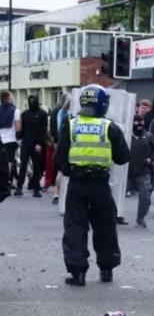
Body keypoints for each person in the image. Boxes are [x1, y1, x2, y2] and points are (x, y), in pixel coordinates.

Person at [55, 85, 130, 286]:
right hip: (100, 184)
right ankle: (107, 269)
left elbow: (59, 158)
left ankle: (77, 273)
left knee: (75, 227)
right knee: (105, 226)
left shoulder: (70, 125)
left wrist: (69, 168)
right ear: (103, 104)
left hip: (78, 184)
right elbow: (123, 158)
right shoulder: (110, 127)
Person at [16, 95, 49, 197]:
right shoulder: (25, 114)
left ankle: (36, 188)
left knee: (36, 167)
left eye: (33, 101)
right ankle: (19, 187)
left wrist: (39, 143)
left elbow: (43, 130)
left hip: (36, 144)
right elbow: (22, 128)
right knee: (23, 166)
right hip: (26, 143)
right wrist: (19, 137)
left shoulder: (43, 114)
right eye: (30, 101)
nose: (31, 103)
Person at [129, 115, 154, 228]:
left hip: (143, 170)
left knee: (145, 195)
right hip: (127, 170)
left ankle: (140, 218)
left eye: (141, 122)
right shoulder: (126, 136)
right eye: (136, 123)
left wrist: (152, 159)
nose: (139, 125)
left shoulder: (149, 136)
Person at [0, 91, 21, 199]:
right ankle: (7, 182)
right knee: (9, 162)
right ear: (8, 98)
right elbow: (18, 127)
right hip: (11, 139)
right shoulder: (15, 110)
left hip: (1, 139)